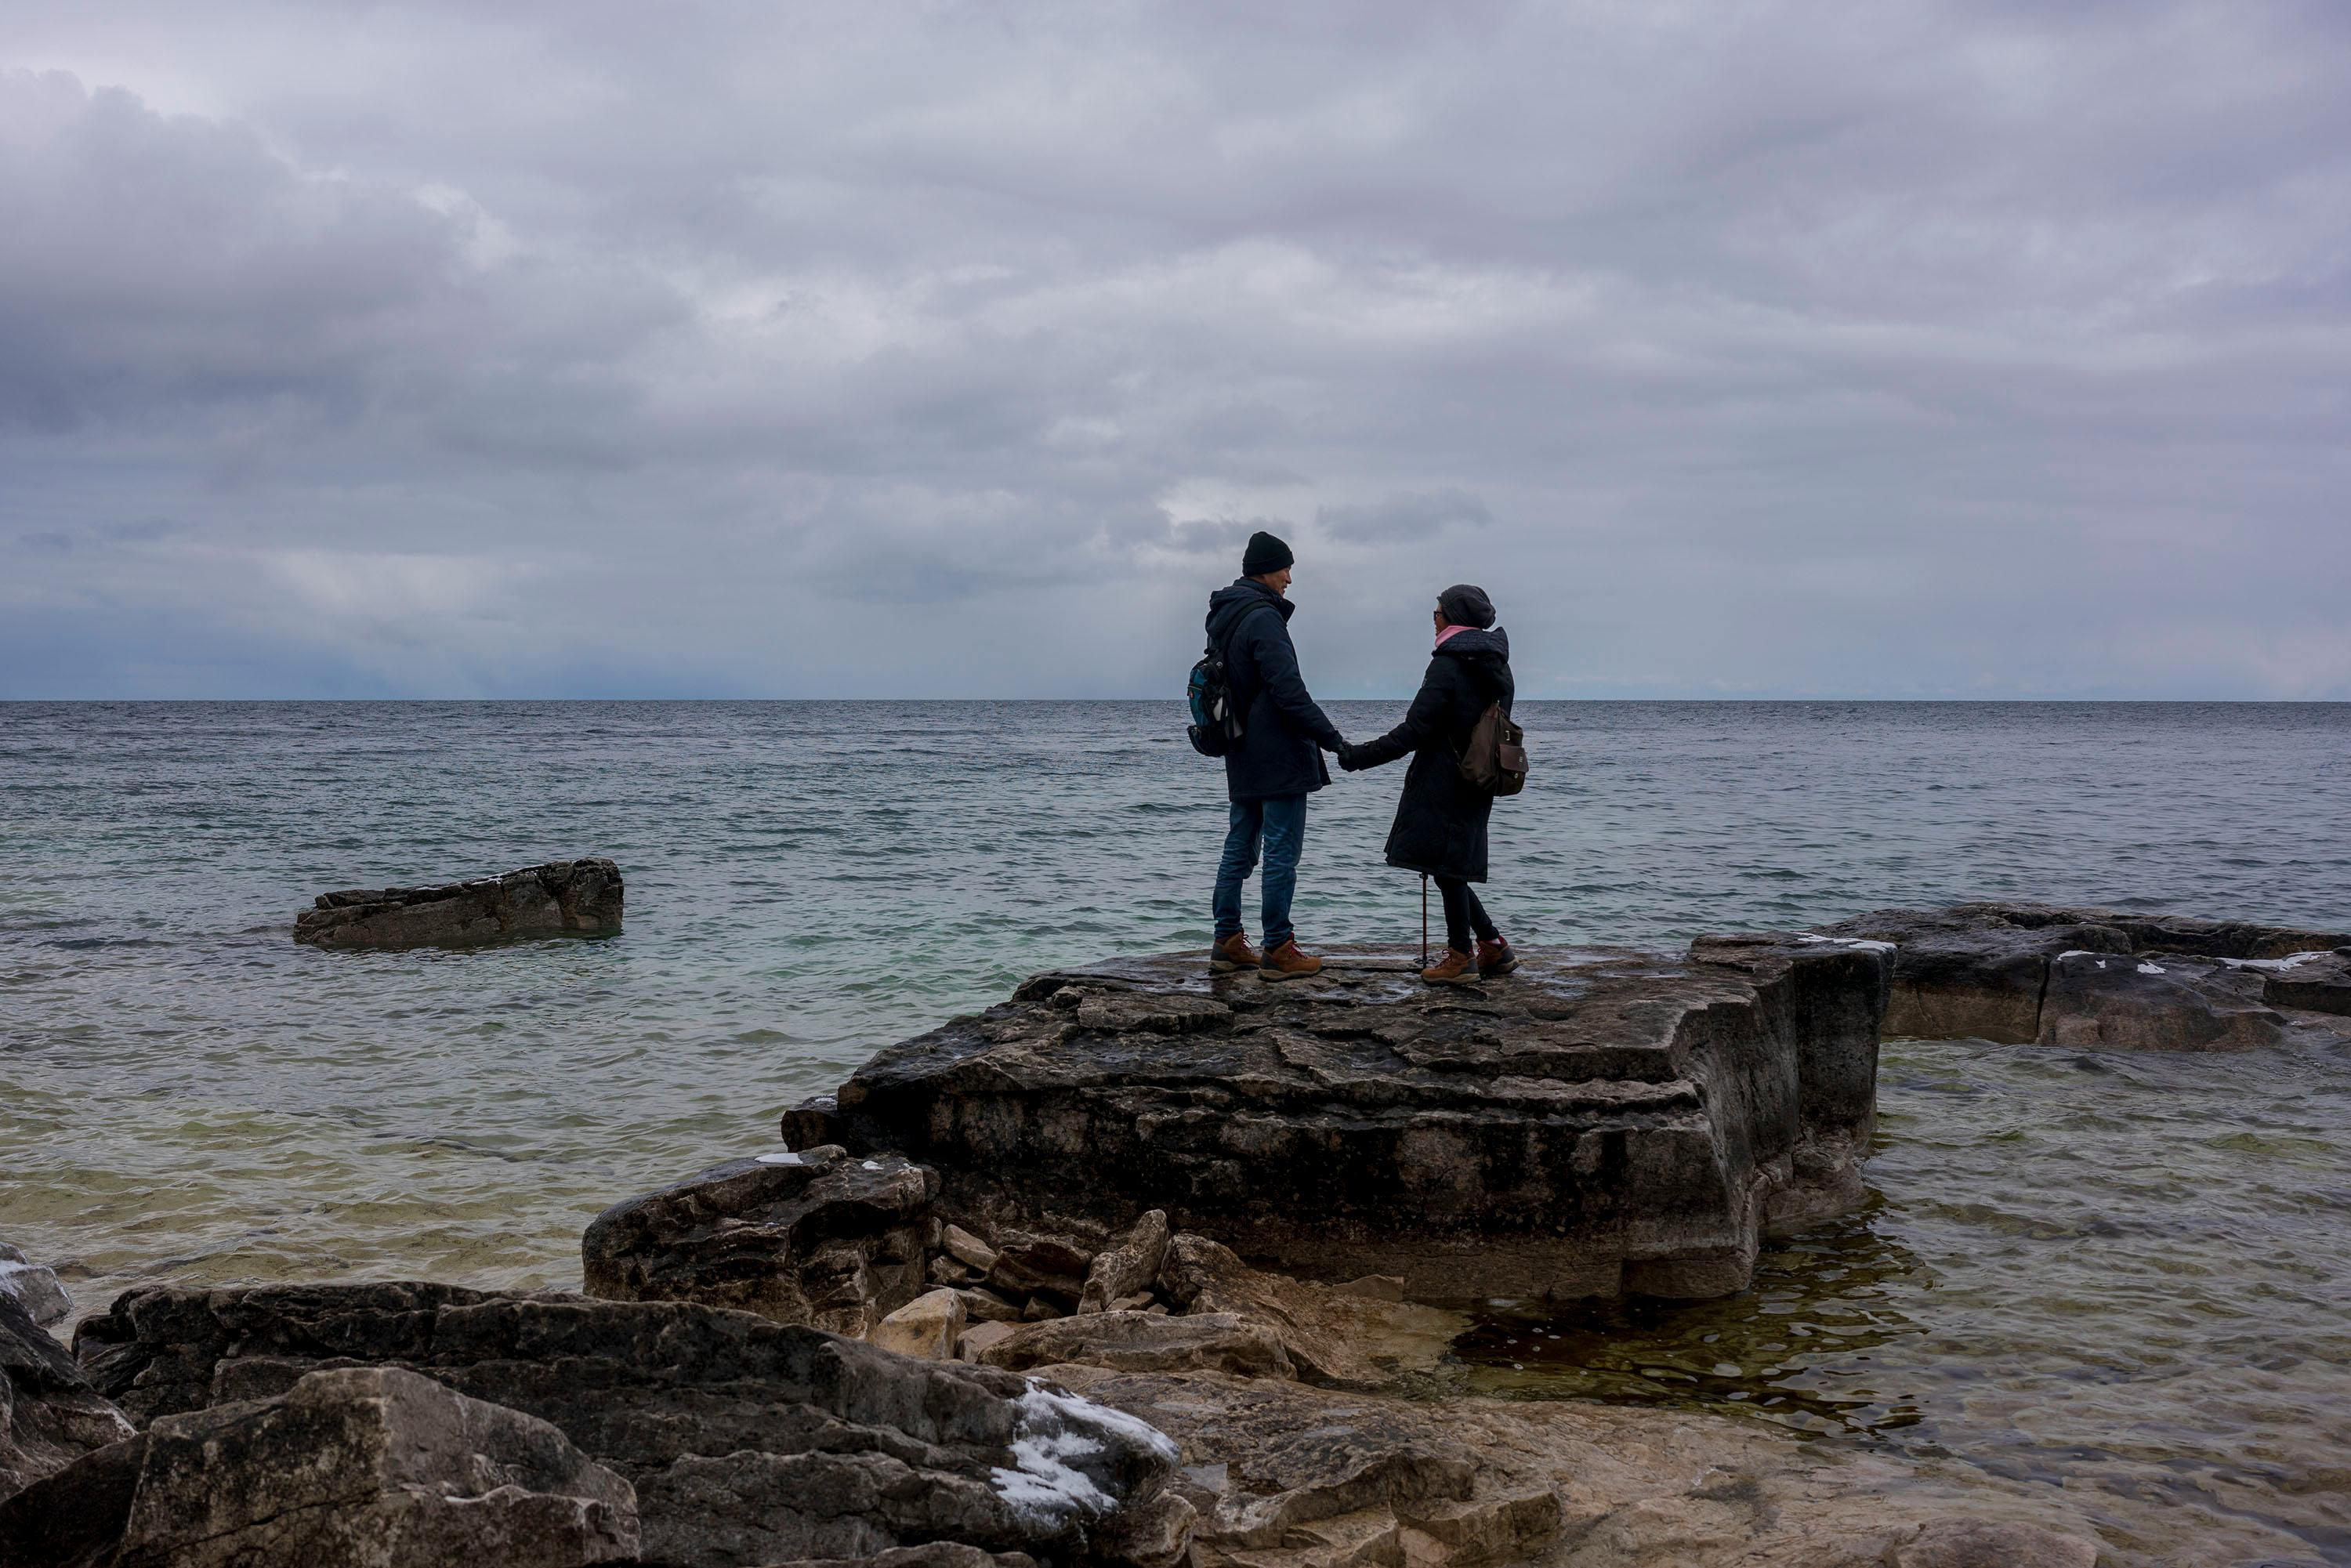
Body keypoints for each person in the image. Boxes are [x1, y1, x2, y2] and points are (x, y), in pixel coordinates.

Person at [1339, 584, 1518, 984]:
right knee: (1448, 867)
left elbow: (1414, 731)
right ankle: (1492, 945)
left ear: (1453, 616)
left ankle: (1460, 957)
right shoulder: (1496, 664)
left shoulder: (1449, 664)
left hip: (1444, 779)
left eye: (1437, 610)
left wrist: (1357, 757)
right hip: (1481, 775)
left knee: (1448, 869)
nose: (1433, 617)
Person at [1204, 530, 1348, 980]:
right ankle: (1279, 949)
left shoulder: (1226, 617)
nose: (1289, 578)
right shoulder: (1264, 618)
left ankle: (1227, 941)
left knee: (1239, 847)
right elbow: (1288, 691)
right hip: (1279, 755)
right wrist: (1334, 739)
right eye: (1286, 568)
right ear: (1267, 570)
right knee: (1281, 852)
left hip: (1241, 750)